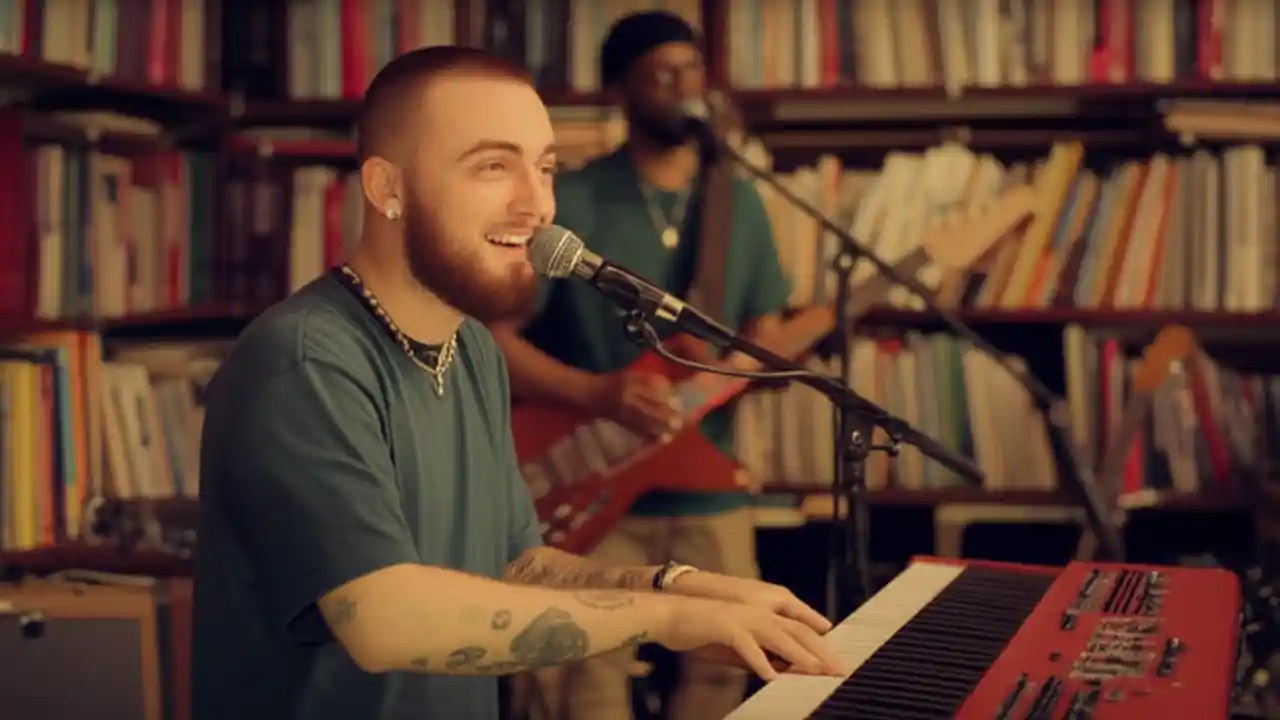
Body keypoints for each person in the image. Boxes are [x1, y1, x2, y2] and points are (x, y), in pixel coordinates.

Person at [190, 45, 840, 720]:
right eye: (493, 166)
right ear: (388, 189)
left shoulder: (470, 347)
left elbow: (515, 565)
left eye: (546, 168)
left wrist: (681, 588)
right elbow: (383, 620)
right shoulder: (304, 362)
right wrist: (665, 621)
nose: (537, 206)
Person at [487, 11, 795, 720]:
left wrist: (726, 370)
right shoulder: (579, 198)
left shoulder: (737, 198)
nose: (681, 86)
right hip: (591, 494)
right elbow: (493, 338)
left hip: (709, 489)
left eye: (691, 71)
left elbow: (767, 334)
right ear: (620, 90)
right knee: (583, 681)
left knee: (732, 669)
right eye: (661, 73)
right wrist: (595, 393)